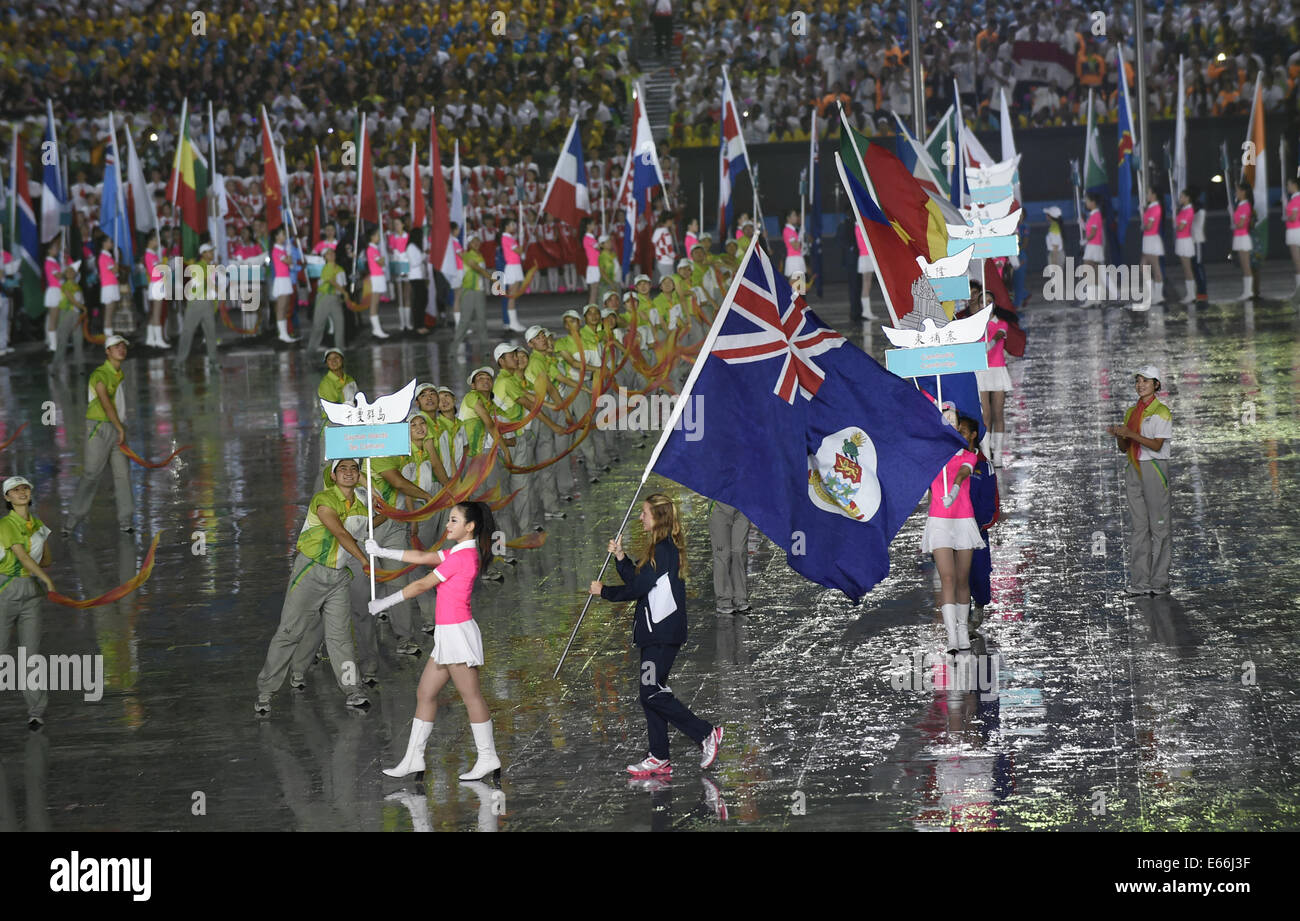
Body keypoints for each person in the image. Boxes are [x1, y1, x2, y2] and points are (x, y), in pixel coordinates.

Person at [590, 493, 724, 777]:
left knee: (650, 692)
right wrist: (621, 557)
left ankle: (705, 733)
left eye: (645, 513)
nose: (641, 518)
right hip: (657, 634)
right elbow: (640, 580)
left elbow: (636, 590)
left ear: (658, 517)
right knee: (651, 693)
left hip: (661, 634)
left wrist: (604, 592)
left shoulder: (663, 550)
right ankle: (659, 756)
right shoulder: (660, 549)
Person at [367, 501, 502, 781]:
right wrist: (381, 551)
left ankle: (488, 757)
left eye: (454, 520)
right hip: (447, 633)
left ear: (470, 526)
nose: (448, 525)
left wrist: (384, 603)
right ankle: (414, 759)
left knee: (471, 696)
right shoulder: (459, 552)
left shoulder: (460, 558)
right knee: (425, 694)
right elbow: (423, 557)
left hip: (456, 633)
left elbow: (421, 585)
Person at [254, 458, 377, 714]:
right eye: (342, 469)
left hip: (339, 577)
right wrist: (365, 560)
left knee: (341, 637)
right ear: (332, 476)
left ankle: (352, 689)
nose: (348, 473)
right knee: (290, 631)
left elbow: (369, 529)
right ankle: (266, 691)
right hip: (311, 572)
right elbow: (341, 533)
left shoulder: (362, 503)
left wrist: (379, 511)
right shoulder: (323, 499)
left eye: (354, 469)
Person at [922, 408, 984, 656]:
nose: (953, 430)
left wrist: (956, 488)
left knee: (961, 578)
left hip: (962, 520)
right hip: (939, 521)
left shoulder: (968, 454)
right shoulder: (931, 455)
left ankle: (962, 629)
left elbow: (964, 471)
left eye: (957, 426)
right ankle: (951, 636)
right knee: (946, 578)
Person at [1106, 365, 1172, 596]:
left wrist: (1130, 434)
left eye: (1146, 381)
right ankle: (1141, 583)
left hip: (1154, 468)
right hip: (1134, 468)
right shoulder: (1131, 412)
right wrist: (1119, 435)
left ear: (1156, 385)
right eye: (1138, 381)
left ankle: (1159, 582)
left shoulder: (1162, 411)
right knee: (1139, 528)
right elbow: (1124, 448)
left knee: (1159, 526)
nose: (1140, 384)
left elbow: (1157, 445)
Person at [0, 476, 54, 730]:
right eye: (14, 490)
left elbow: (45, 561)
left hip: (31, 592)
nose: (21, 492)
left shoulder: (39, 525)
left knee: (30, 656)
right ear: (7, 498)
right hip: (6, 589)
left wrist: (43, 542)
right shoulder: (6, 524)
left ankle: (36, 712)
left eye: (25, 488)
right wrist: (47, 580)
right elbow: (22, 557)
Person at [65, 335, 133, 535]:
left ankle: (126, 521)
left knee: (123, 475)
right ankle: (71, 521)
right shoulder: (100, 374)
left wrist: (121, 427)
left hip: (117, 428)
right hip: (99, 428)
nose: (121, 349)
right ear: (107, 351)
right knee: (91, 475)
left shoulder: (119, 373)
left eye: (123, 346)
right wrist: (120, 428)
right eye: (116, 346)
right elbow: (105, 401)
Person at [976, 304, 1012, 467]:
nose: (985, 305)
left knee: (998, 413)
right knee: (986, 414)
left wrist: (990, 343)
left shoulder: (1001, 323)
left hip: (997, 371)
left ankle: (997, 454)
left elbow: (999, 334)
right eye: (982, 302)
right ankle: (986, 453)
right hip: (981, 371)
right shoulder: (974, 324)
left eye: (989, 301)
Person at [174, 243, 220, 366]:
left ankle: (213, 359)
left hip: (207, 302)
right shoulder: (198, 266)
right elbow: (207, 282)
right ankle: (179, 361)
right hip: (196, 303)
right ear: (203, 254)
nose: (212, 253)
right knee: (188, 332)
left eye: (212, 251)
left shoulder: (208, 266)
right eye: (209, 251)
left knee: (211, 332)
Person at [709, 501, 751, 615]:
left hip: (742, 505)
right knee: (723, 555)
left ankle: (740, 597)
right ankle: (724, 600)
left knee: (739, 552)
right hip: (719, 505)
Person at [307, 245, 350, 354]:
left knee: (340, 323)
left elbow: (343, 283)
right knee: (318, 324)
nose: (331, 255)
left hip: (336, 298)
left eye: (333, 253)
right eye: (328, 254)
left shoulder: (340, 268)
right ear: (325, 257)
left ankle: (340, 349)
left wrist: (342, 294)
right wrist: (344, 292)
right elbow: (331, 281)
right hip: (324, 298)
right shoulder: (327, 267)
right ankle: (311, 349)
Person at [452, 232, 489, 355]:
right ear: (469, 244)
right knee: (465, 322)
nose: (476, 243)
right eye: (473, 242)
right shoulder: (468, 256)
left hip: (479, 292)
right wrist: (493, 278)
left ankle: (485, 349)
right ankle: (453, 349)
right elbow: (478, 269)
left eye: (478, 241)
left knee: (482, 321)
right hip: (469, 292)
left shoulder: (481, 255)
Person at [1136, 187, 1164, 307]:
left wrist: (1143, 225)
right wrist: (1142, 211)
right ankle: (1152, 294)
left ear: (1154, 195)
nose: (1146, 195)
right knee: (1143, 267)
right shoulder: (1151, 208)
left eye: (1148, 193)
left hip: (1152, 240)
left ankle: (1158, 296)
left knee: (1155, 267)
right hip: (1148, 240)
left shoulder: (1155, 208)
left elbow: (1149, 226)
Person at [271, 227, 298, 344]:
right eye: (282, 235)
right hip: (281, 280)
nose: (284, 237)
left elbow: (290, 262)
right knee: (281, 308)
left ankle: (284, 333)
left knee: (286, 307)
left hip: (286, 279)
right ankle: (282, 334)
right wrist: (288, 255)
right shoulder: (276, 250)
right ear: (276, 237)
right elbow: (288, 261)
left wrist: (288, 253)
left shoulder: (282, 250)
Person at [143, 232, 169, 349]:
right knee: (157, 313)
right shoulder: (149, 255)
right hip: (156, 284)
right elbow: (153, 271)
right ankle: (158, 339)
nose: (157, 242)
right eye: (155, 240)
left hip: (158, 283)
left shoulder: (153, 254)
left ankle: (150, 338)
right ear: (149, 241)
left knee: (154, 313)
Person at [500, 217, 526, 332]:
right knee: (512, 296)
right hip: (512, 267)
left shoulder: (509, 238)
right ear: (506, 227)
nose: (514, 226)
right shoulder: (506, 238)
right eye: (511, 224)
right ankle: (513, 323)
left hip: (515, 266)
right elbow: (518, 251)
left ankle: (513, 322)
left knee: (513, 295)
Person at [365, 227, 390, 339]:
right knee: (374, 303)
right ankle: (376, 329)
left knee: (376, 303)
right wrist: (383, 259)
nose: (378, 237)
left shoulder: (375, 248)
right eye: (376, 235)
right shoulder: (371, 249)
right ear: (371, 237)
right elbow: (380, 262)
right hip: (375, 277)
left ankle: (377, 328)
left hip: (379, 276)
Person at [1173, 189, 1197, 303]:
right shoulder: (1183, 210)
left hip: (1185, 240)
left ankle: (1191, 294)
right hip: (1181, 240)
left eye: (1182, 196)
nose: (1180, 198)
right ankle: (1190, 293)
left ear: (1188, 198)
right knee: (1185, 268)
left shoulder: (1189, 210)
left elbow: (1181, 227)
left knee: (1187, 268)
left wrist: (1176, 225)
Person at [1231, 183, 1254, 301]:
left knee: (1246, 266)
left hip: (1243, 237)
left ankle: (1248, 291)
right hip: (1239, 237)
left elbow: (1240, 224)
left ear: (1243, 192)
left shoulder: (1245, 206)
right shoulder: (1240, 205)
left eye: (1237, 191)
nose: (1236, 193)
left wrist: (1234, 224)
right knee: (1244, 266)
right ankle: (1246, 291)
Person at [1081, 193, 1104, 305]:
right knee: (1094, 273)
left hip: (1093, 246)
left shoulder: (1095, 215)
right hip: (1094, 246)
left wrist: (1085, 240)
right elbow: (1090, 229)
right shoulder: (1093, 215)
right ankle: (1097, 299)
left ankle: (1091, 299)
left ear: (1093, 202)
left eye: (1088, 201)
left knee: (1087, 271)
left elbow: (1093, 233)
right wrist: (1083, 224)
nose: (1086, 203)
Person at [97, 236, 123, 338]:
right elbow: (115, 270)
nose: (111, 243)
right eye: (109, 241)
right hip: (108, 287)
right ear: (103, 243)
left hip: (112, 285)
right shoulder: (104, 257)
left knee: (111, 313)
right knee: (108, 313)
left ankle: (109, 336)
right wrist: (117, 261)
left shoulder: (108, 256)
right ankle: (108, 339)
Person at [1285, 177, 1300, 296]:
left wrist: (1286, 217)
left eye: (1288, 184)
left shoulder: (1296, 199)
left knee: (1297, 261)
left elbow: (1294, 217)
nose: (1287, 186)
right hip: (1296, 230)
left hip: (1295, 231)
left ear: (1294, 185)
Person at [1044, 205, 1065, 276]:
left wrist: (1054, 262)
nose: (1046, 216)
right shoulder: (1056, 225)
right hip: (1057, 254)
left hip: (1055, 255)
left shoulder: (1054, 227)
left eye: (1047, 214)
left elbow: (1055, 246)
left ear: (1050, 216)